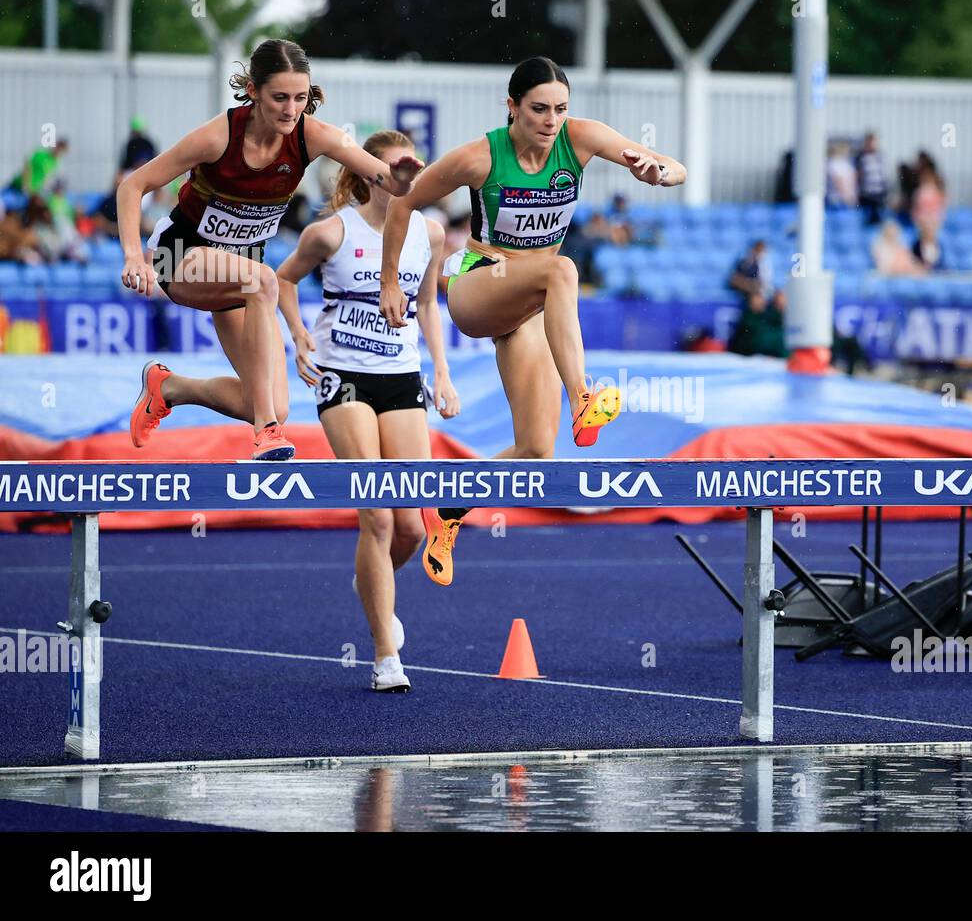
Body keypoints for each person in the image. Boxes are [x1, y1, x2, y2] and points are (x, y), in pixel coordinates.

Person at [115, 39, 424, 461]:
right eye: (279, 98)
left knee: (269, 401)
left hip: (239, 276)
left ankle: (170, 388)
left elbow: (388, 180)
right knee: (262, 281)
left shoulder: (312, 136)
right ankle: (267, 434)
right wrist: (134, 255)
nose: (290, 109)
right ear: (254, 91)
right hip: (181, 257)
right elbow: (133, 185)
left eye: (300, 98)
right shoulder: (217, 136)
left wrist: (401, 178)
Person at [379, 56, 685, 455]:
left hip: (530, 303)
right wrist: (389, 282)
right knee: (562, 269)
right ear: (512, 106)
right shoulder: (480, 157)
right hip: (479, 283)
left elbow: (676, 168)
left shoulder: (581, 138)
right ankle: (582, 398)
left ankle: (448, 508)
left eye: (560, 110)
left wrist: (657, 174)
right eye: (539, 109)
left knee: (536, 450)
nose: (551, 122)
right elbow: (401, 205)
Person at [277, 130, 459, 692]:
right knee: (376, 516)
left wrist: (442, 372)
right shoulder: (330, 231)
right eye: (392, 168)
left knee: (410, 522)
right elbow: (282, 281)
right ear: (368, 174)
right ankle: (386, 657)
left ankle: (369, 581)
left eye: (411, 168)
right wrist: (299, 334)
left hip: (401, 378)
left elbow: (429, 303)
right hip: (344, 378)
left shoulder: (428, 233)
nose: (405, 177)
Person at [856, 131, 888, 225]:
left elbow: (884, 174)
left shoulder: (881, 156)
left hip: (879, 194)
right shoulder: (861, 157)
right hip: (866, 194)